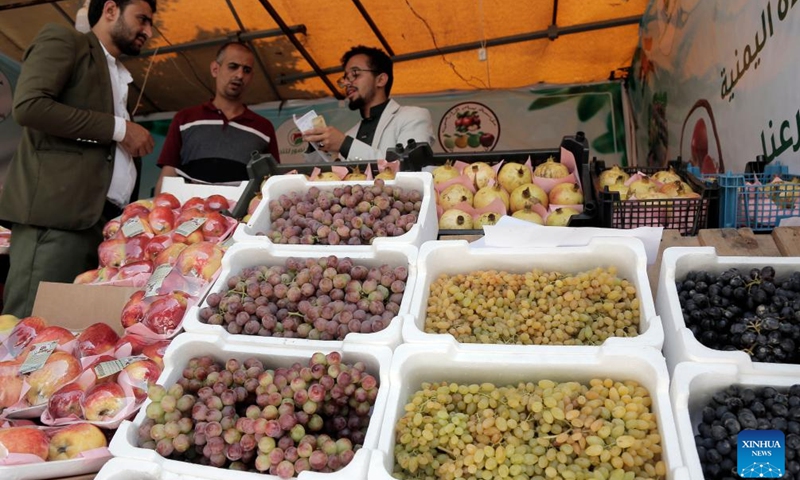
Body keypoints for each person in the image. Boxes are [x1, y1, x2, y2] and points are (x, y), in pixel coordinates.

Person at [0, 0, 157, 318]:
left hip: (101, 227)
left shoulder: (118, 75)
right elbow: (30, 105)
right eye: (142, 19)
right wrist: (120, 128)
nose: (148, 31)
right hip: (59, 221)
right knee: (29, 328)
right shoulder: (66, 40)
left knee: (66, 337)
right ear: (110, 9)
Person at [155, 41, 281, 192]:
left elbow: (271, 181)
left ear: (251, 77)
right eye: (233, 66)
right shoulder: (184, 118)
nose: (240, 75)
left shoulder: (264, 128)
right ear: (215, 69)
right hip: (189, 212)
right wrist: (159, 209)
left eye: (246, 70)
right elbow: (168, 174)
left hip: (239, 214)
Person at [302, 45, 435, 161]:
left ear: (381, 80)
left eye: (355, 74)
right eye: (345, 78)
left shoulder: (413, 116)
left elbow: (408, 167)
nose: (347, 83)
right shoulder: (349, 134)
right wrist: (315, 144)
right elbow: (331, 178)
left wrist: (345, 144)